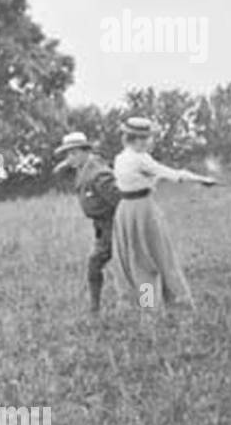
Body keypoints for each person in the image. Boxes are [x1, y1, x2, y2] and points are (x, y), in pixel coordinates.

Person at [110, 116, 217, 311]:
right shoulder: (140, 159)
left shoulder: (121, 157)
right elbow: (173, 174)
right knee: (151, 260)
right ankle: (157, 306)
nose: (151, 142)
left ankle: (139, 304)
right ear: (138, 139)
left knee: (134, 260)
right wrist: (202, 179)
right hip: (142, 210)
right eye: (148, 138)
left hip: (125, 210)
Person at [53, 131, 121, 314]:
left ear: (85, 151)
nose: (70, 158)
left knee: (133, 267)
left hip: (114, 225)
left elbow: (120, 201)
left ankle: (147, 304)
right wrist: (68, 162)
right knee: (99, 265)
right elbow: (58, 171)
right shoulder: (85, 166)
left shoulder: (98, 174)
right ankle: (95, 308)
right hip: (101, 226)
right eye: (67, 154)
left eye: (73, 153)